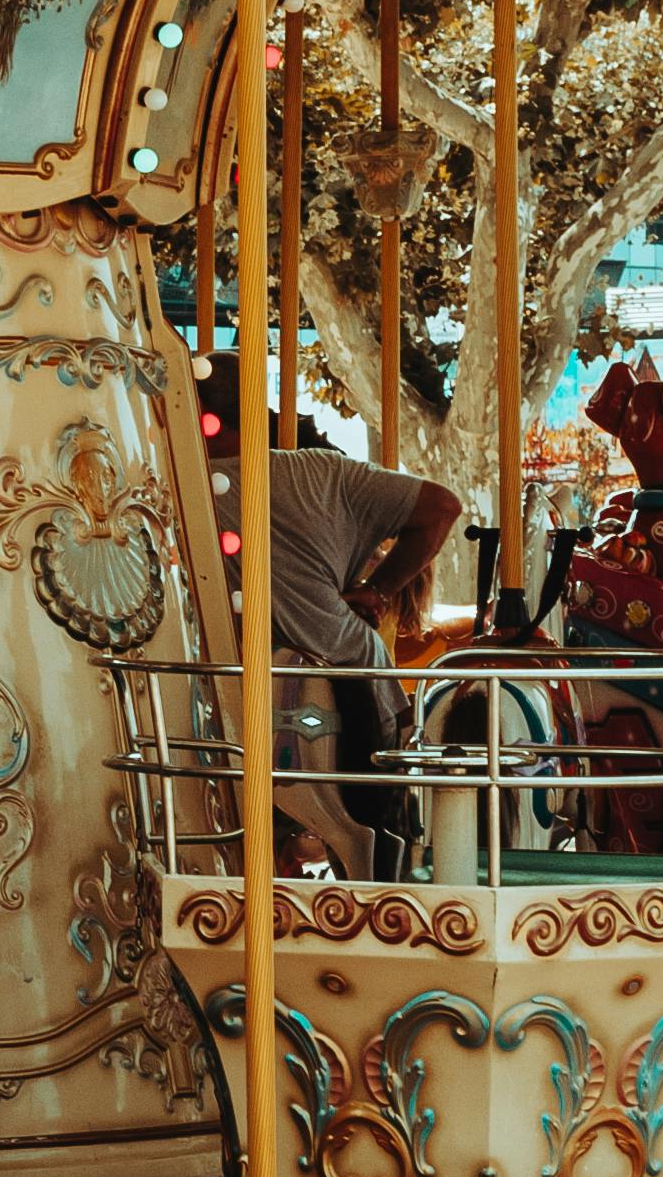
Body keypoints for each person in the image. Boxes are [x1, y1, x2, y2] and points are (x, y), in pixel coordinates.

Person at [194, 357, 464, 851]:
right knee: (379, 828)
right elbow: (442, 507)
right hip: (351, 680)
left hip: (243, 695)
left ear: (199, 415)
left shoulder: (184, 491)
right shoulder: (324, 471)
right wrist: (379, 590)